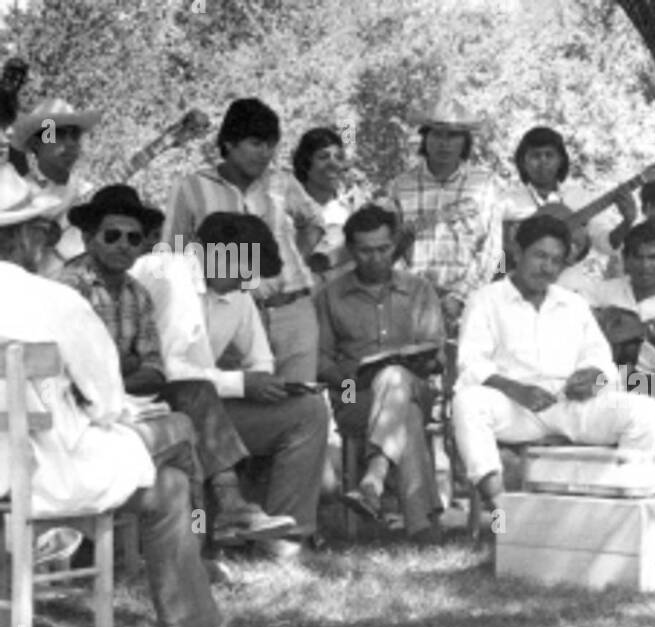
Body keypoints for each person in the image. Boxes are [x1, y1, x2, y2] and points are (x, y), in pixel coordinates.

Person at [0, 163, 222, 627]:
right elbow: (106, 401)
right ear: (23, 239)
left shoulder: (105, 292)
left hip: (12, 470)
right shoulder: (54, 300)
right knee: (178, 447)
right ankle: (190, 611)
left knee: (169, 484)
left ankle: (24, 613)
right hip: (46, 470)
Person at [58, 185, 298, 545]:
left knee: (199, 411)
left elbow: (153, 369)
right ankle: (224, 516)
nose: (124, 244)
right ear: (90, 240)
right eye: (112, 236)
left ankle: (228, 538)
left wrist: (122, 366)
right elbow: (79, 369)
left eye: (134, 238)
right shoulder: (72, 286)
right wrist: (123, 366)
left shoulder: (135, 292)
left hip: (139, 399)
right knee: (193, 406)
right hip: (75, 406)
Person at [453, 214, 655, 514]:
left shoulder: (573, 304)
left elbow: (603, 364)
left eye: (555, 260)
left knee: (645, 411)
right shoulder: (486, 299)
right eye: (539, 256)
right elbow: (471, 363)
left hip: (570, 403)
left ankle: (619, 511)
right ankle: (499, 506)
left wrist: (593, 378)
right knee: (467, 402)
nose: (547, 268)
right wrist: (517, 390)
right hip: (514, 407)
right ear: (517, 253)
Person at [186, 212, 331, 557]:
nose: (245, 280)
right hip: (170, 412)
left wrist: (268, 386)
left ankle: (284, 540)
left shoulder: (239, 295)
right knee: (196, 405)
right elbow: (175, 376)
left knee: (308, 411)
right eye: (239, 268)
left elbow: (260, 359)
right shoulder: (174, 286)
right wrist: (241, 384)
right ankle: (209, 531)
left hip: (216, 413)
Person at [163, 97, 326, 383]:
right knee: (239, 408)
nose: (264, 153)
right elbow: (172, 257)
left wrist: (294, 260)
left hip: (293, 311)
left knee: (302, 404)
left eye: (270, 144)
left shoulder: (281, 182)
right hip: (229, 316)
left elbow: (313, 221)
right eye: (255, 143)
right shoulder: (191, 188)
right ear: (229, 143)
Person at [318, 204, 446, 544]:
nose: (375, 259)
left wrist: (421, 362)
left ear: (396, 246)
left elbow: (437, 354)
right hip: (351, 393)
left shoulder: (419, 290)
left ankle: (374, 477)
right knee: (408, 416)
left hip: (417, 386)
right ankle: (422, 525)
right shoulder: (332, 295)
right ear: (350, 250)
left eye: (383, 249)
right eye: (364, 251)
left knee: (394, 378)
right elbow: (321, 361)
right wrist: (348, 377)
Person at [384, 97, 503, 336]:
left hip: (467, 305)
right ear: (424, 137)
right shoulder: (400, 185)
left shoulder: (484, 184)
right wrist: (412, 291)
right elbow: (390, 247)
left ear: (465, 142)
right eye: (437, 134)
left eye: (453, 136)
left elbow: (490, 247)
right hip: (410, 303)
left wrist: (460, 297)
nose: (444, 144)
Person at [501, 125, 636, 287]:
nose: (543, 162)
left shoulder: (581, 198)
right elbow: (492, 253)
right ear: (523, 162)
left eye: (549, 155)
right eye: (535, 156)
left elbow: (606, 244)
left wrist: (627, 222)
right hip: (518, 292)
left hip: (570, 290)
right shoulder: (505, 202)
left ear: (561, 160)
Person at [584, 221, 655, 399]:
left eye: (653, 257)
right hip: (608, 381)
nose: (645, 266)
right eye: (637, 257)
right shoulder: (602, 292)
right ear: (625, 259)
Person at [9, 97, 102, 277]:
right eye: (57, 134)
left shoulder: (87, 197)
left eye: (74, 135)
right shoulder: (13, 192)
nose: (70, 143)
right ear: (36, 143)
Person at [293, 126, 364, 286]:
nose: (333, 163)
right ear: (305, 163)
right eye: (323, 157)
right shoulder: (288, 209)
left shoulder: (353, 207)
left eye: (338, 157)